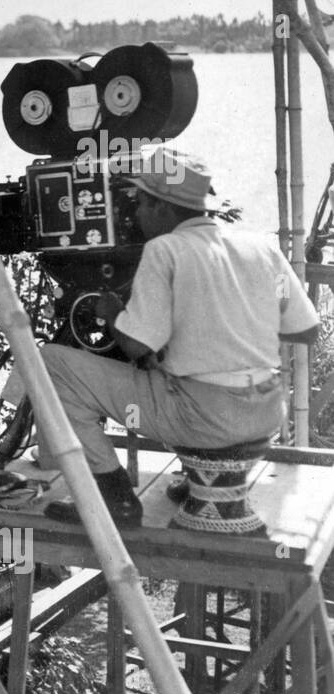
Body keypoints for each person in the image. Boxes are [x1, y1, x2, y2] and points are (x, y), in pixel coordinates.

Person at [40, 151, 320, 532]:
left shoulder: (165, 250)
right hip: (267, 412)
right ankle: (197, 482)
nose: (137, 215)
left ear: (162, 207)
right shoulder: (261, 247)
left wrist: (111, 314)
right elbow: (305, 330)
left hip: (203, 420)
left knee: (50, 363)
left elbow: (137, 346)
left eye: (140, 204)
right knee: (182, 372)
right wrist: (229, 326)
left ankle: (113, 498)